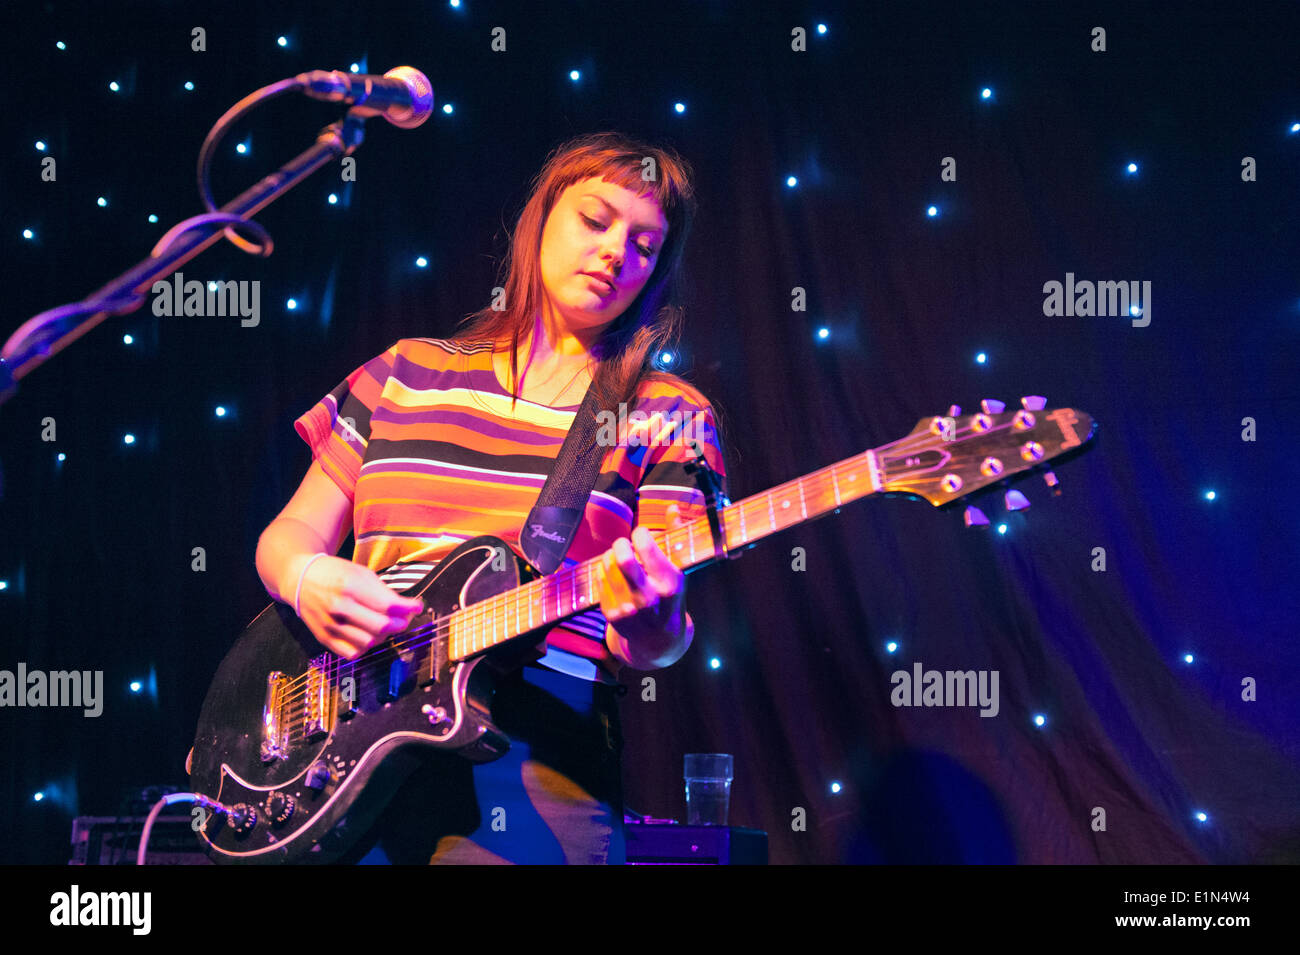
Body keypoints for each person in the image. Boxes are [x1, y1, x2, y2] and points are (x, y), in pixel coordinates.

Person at [253, 131, 727, 864]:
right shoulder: (404, 372)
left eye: (644, 245)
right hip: (338, 741)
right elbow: (288, 536)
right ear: (542, 218)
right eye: (595, 220)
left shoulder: (668, 414)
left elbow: (651, 642)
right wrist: (307, 576)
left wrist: (657, 619)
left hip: (535, 753)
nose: (614, 254)